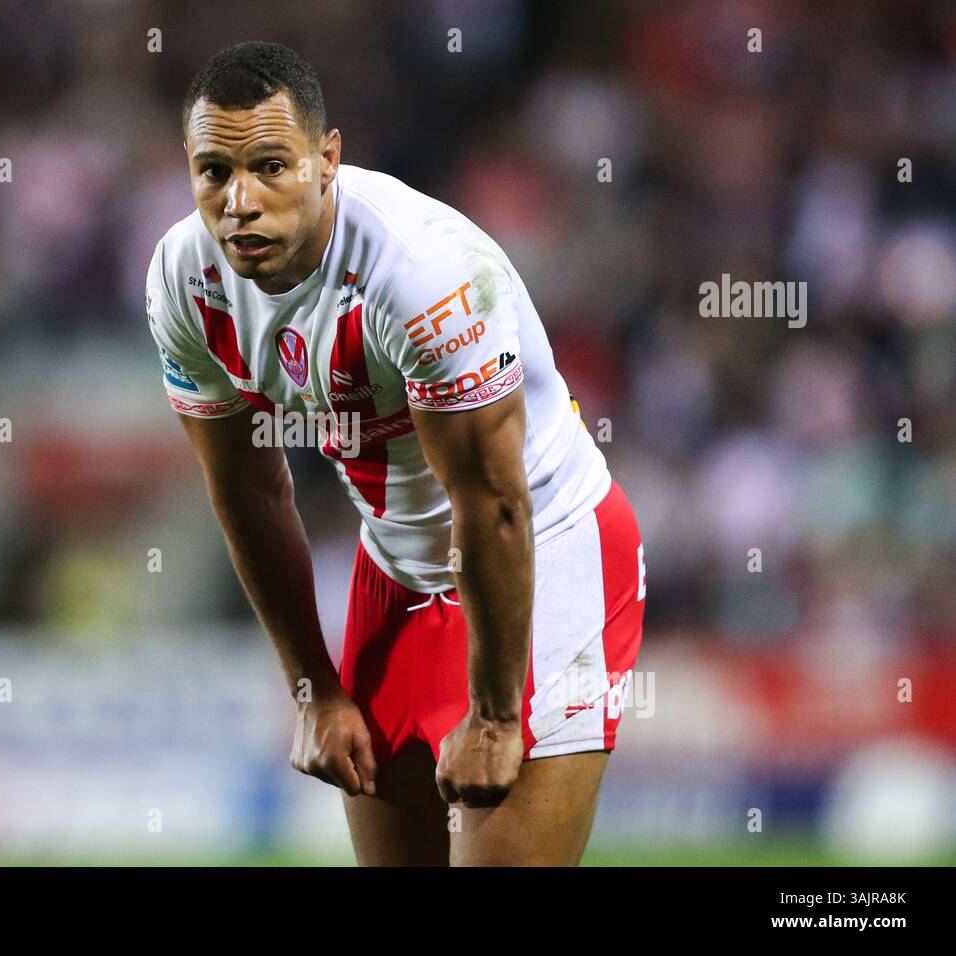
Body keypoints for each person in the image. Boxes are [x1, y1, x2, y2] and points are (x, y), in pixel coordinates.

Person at [145, 41, 646, 865]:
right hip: (399, 569)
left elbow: (496, 503)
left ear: (327, 159)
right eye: (213, 172)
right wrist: (313, 690)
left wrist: (493, 717)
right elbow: (246, 490)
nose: (239, 201)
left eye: (271, 165)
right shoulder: (182, 280)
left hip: (545, 551)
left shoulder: (423, 274)